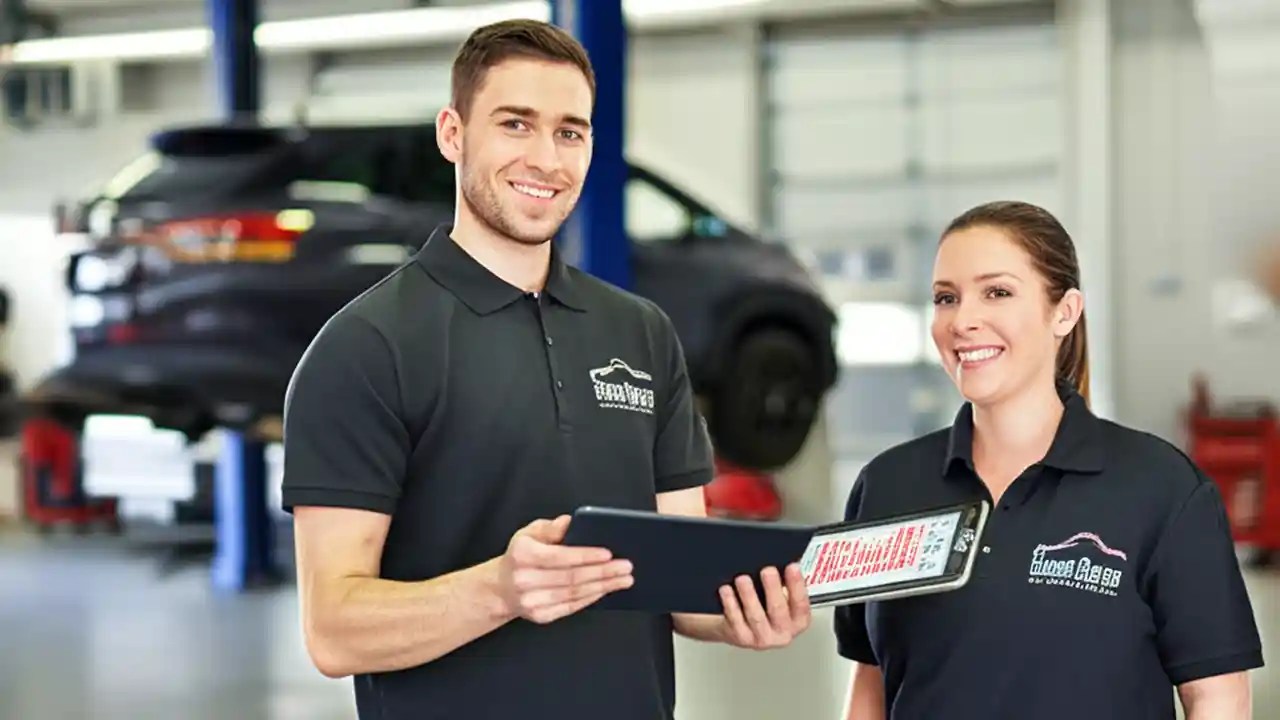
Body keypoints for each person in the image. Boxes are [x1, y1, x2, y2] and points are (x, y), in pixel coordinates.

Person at [279, 18, 811, 720]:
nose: (547, 159)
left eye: (570, 132)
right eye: (515, 124)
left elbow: (680, 583)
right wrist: (499, 590)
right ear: (453, 134)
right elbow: (334, 629)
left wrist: (745, 612)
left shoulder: (641, 333)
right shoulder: (365, 348)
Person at [836, 201, 1264, 719]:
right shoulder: (888, 486)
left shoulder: (1162, 489)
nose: (963, 320)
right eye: (946, 298)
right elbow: (871, 682)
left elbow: (1216, 696)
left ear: (1064, 311)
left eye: (997, 292)